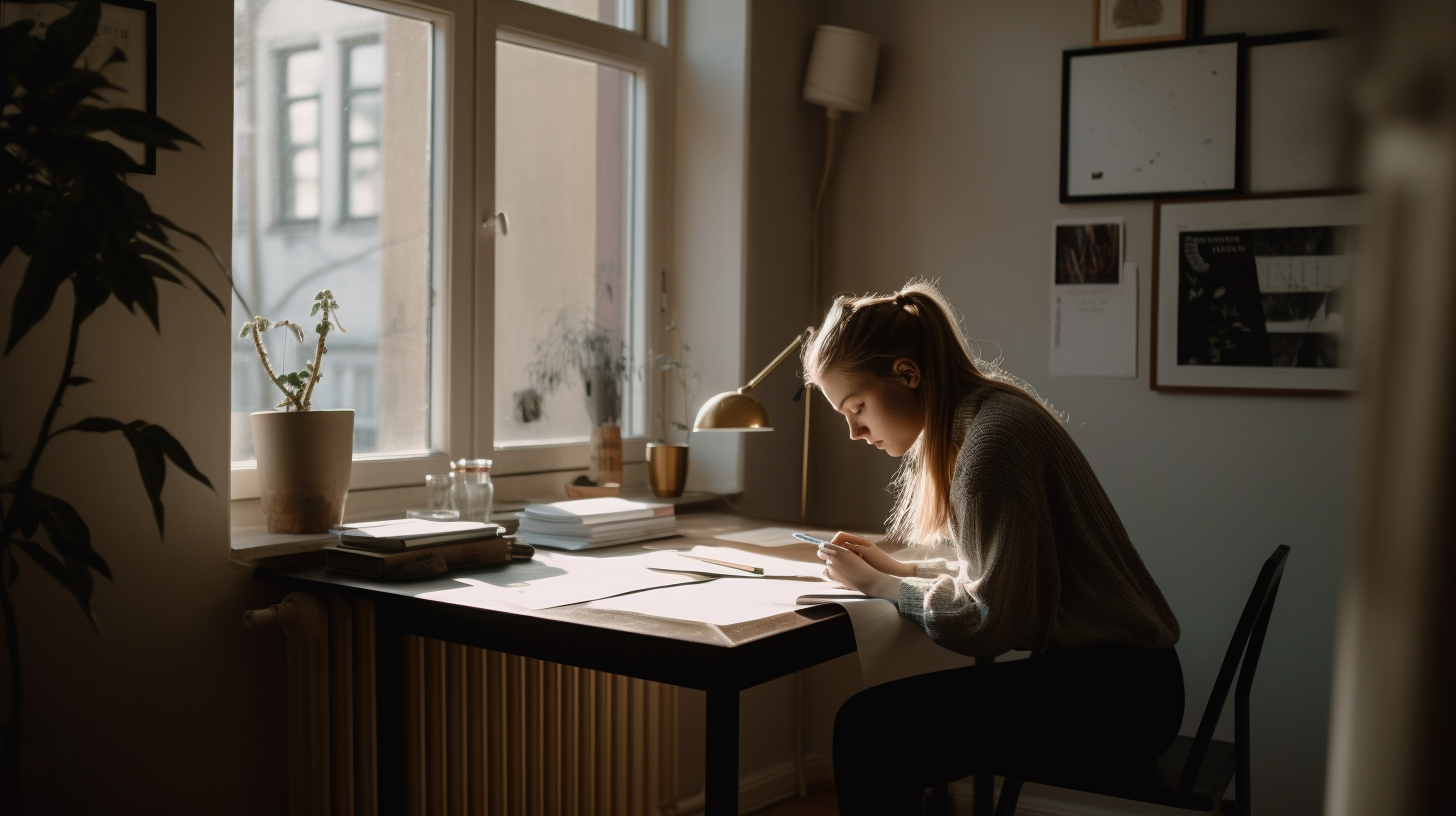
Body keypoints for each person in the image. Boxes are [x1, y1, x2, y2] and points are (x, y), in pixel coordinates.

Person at [802, 282, 1182, 815]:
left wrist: (883, 586)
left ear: (907, 374)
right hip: (1133, 682)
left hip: (1118, 699)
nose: (854, 432)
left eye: (857, 407)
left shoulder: (989, 451)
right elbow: (1010, 567)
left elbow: (990, 623)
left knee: (869, 729)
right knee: (888, 728)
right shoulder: (992, 414)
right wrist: (904, 568)